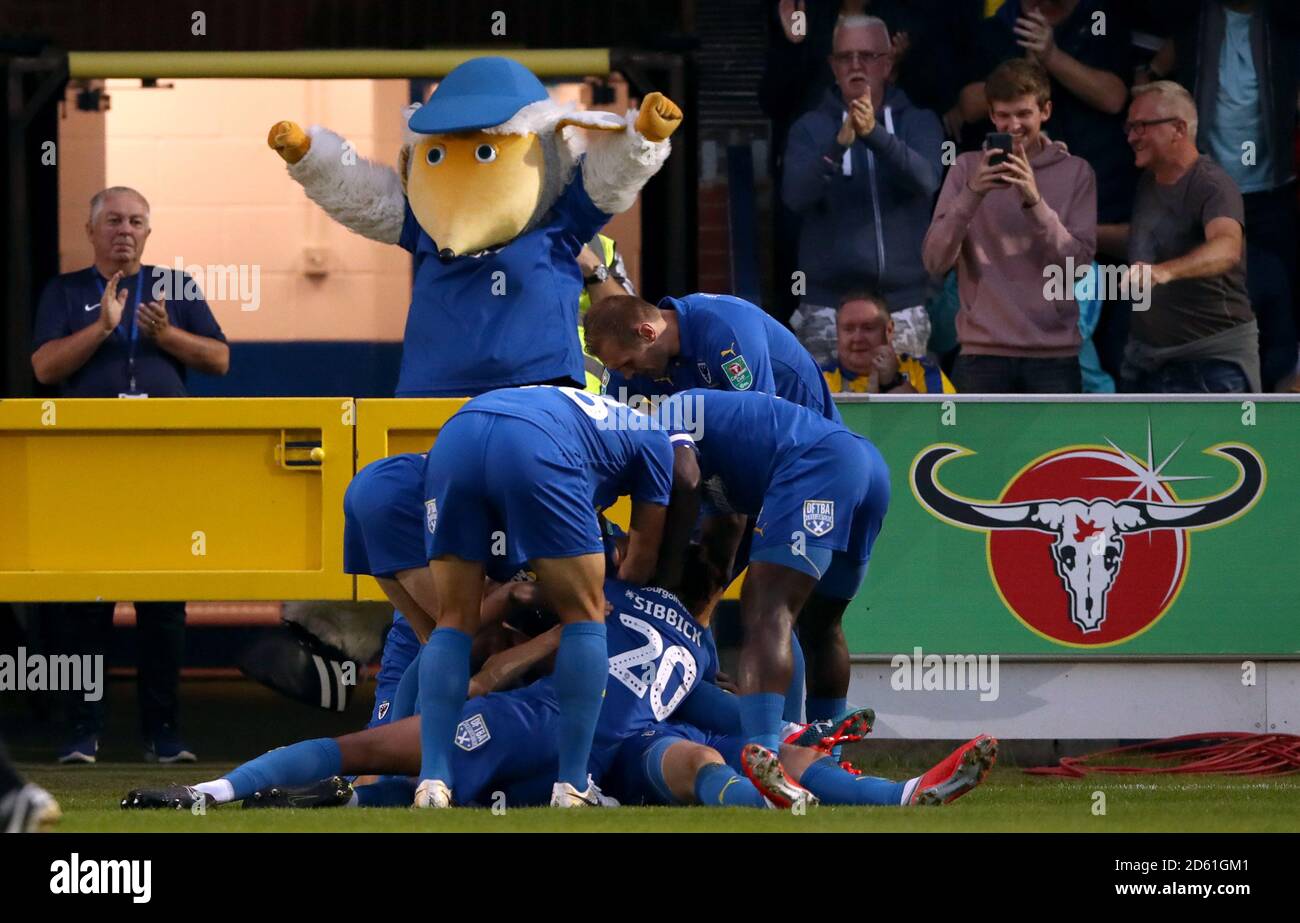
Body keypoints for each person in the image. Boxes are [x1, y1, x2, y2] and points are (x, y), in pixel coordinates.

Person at [416, 385, 696, 808]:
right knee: (585, 616)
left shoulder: (581, 410)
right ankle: (572, 786)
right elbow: (641, 562)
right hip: (537, 446)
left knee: (454, 619)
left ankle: (432, 781)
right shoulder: (654, 437)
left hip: (459, 431)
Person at [29, 186, 230, 764]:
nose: (124, 230)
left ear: (148, 232)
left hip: (164, 466)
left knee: (163, 604)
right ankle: (82, 733)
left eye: (136, 221)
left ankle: (162, 734)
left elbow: (219, 359)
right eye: (113, 220)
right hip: (89, 466)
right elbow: (43, 368)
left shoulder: (177, 288)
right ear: (91, 231)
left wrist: (166, 336)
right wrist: (102, 329)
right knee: (85, 602)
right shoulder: (66, 291)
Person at [655, 388, 890, 757]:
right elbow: (723, 545)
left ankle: (767, 751)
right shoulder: (715, 448)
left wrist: (663, 573)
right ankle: (828, 759)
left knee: (766, 609)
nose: (629, 371)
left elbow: (684, 480)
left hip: (820, 462)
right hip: (866, 463)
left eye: (620, 359)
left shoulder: (667, 415)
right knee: (821, 625)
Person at [922, 58, 1097, 393]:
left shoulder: (1077, 173)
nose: (1013, 125)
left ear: (1045, 111)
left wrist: (1034, 201)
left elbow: (1076, 268)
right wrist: (973, 194)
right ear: (991, 115)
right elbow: (934, 261)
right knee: (976, 448)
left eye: (1023, 114)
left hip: (1054, 359)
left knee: (1055, 448)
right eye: (1003, 115)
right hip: (981, 357)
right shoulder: (965, 169)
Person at [782, 14, 944, 365]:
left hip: (901, 305)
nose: (856, 65)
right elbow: (795, 196)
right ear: (833, 66)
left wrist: (875, 135)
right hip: (826, 308)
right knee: (824, 412)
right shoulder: (809, 128)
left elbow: (927, 180)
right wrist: (837, 146)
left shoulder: (918, 121)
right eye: (845, 57)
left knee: (901, 417)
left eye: (868, 56)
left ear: (887, 64)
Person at [1157, 0, 1300, 390]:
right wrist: (1149, 71)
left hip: (1274, 191)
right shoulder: (1193, 21)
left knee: (1278, 291)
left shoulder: (1285, 24)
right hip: (1208, 191)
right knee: (1205, 296)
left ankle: (1282, 389)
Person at [1098, 82, 1258, 392]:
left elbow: (1227, 247)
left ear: (1178, 129)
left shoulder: (1212, 185)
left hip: (1211, 365)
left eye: (1141, 126)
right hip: (1148, 361)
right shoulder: (1149, 181)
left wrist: (1163, 272)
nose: (1131, 137)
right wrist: (1076, 234)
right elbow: (1142, 241)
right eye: (1129, 127)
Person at [584, 292, 841, 421]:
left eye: (628, 363)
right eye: (618, 368)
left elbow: (760, 425)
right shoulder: (628, 368)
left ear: (648, 333)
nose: (626, 374)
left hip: (808, 446)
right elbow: (616, 440)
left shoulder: (725, 330)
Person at [821, 290, 955, 393]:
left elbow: (945, 424)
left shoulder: (924, 372)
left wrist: (892, 382)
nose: (858, 338)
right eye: (848, 329)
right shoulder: (819, 380)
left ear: (889, 330)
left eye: (868, 328)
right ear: (838, 333)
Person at [577, 234, 637, 392]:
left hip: (589, 393)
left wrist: (594, 267)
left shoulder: (601, 246)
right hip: (525, 382)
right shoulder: (511, 236)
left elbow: (629, 321)